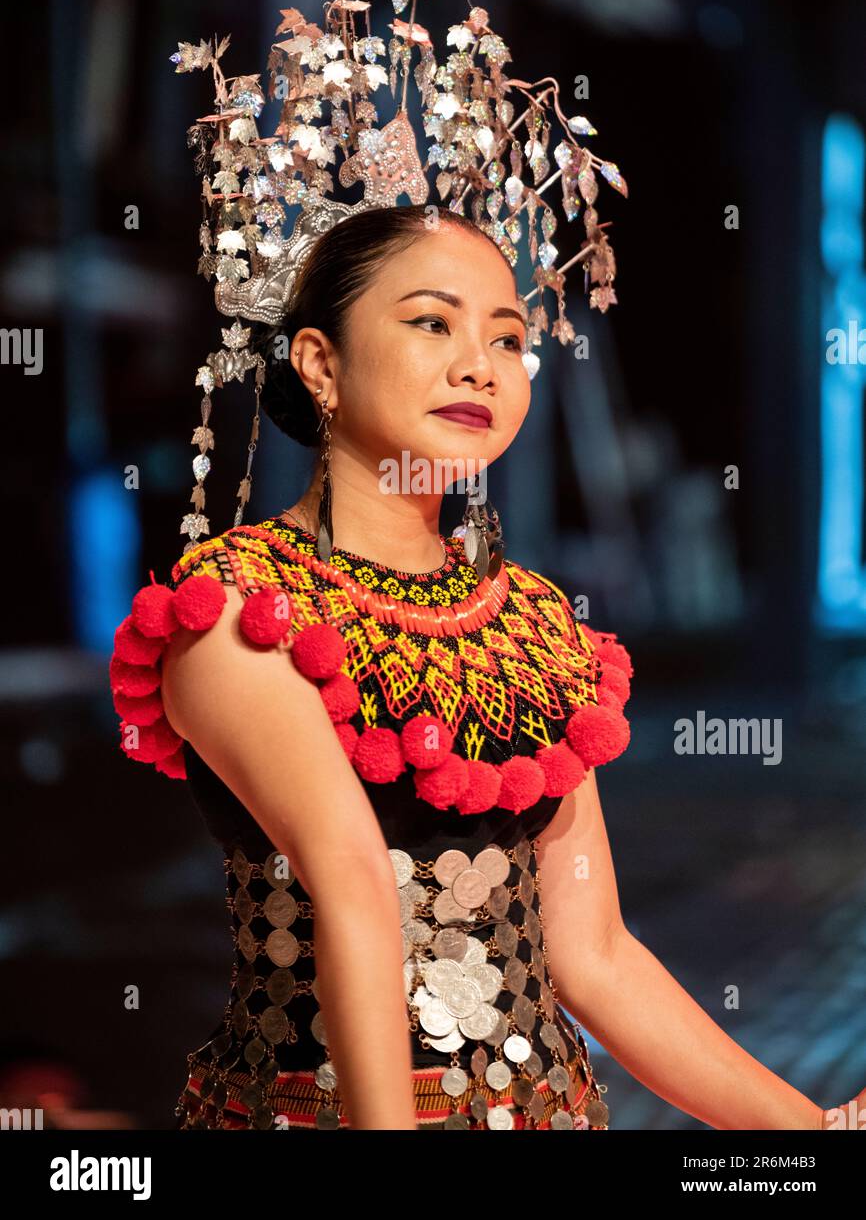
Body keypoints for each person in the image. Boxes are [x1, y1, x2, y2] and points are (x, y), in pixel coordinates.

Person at [111, 206, 862, 1130]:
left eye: (507, 339)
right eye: (432, 322)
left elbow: (595, 956)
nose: (480, 365)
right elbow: (356, 892)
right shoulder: (242, 611)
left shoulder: (533, 625)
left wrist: (817, 1133)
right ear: (320, 363)